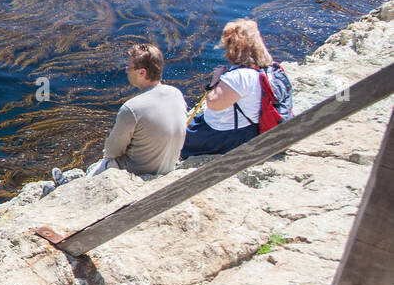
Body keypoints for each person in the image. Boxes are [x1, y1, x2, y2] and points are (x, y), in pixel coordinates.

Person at [52, 43, 188, 184]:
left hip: (136, 173)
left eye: (129, 67)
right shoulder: (176, 94)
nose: (126, 70)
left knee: (104, 164)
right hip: (167, 167)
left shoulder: (132, 108)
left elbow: (112, 151)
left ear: (142, 73)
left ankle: (69, 188)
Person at [182, 18, 277, 158]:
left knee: (176, 137)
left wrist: (216, 79)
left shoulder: (239, 76)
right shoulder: (268, 69)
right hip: (250, 128)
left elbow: (213, 103)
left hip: (223, 134)